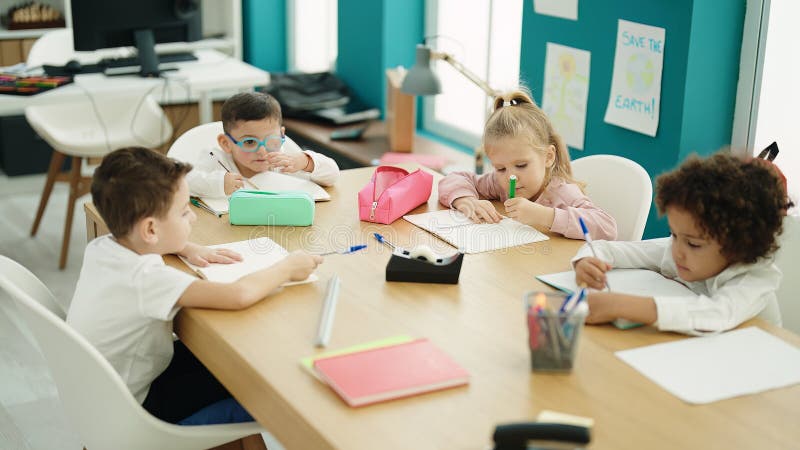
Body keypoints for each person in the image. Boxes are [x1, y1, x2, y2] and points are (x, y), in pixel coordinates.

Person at [67, 147, 323, 424]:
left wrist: (183, 246)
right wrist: (288, 267)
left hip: (102, 393)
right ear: (151, 230)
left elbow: (144, 245)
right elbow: (238, 294)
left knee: (229, 360)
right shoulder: (146, 279)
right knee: (265, 377)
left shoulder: (103, 247)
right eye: (184, 212)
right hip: (138, 409)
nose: (194, 217)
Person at [573, 152, 787, 334]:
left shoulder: (755, 277)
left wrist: (621, 305)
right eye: (674, 235)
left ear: (740, 245)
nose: (677, 251)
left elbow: (717, 314)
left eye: (693, 244)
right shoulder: (681, 249)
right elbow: (614, 249)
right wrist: (587, 260)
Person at [438, 89, 617, 240]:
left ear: (548, 157)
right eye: (500, 168)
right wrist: (465, 201)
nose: (510, 177)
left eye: (521, 165)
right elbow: (455, 178)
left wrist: (544, 215)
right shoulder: (499, 183)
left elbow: (607, 228)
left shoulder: (562, 193)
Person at [186, 91, 340, 198]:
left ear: (281, 134)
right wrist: (219, 183)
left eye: (271, 140)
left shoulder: (285, 158)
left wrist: (306, 162)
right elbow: (185, 182)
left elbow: (333, 175)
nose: (262, 151)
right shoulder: (216, 159)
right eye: (249, 142)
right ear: (226, 143)